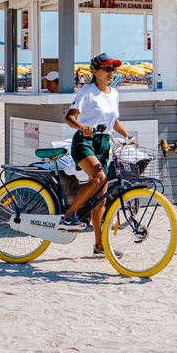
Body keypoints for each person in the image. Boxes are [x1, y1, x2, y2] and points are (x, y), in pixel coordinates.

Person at [59, 53, 135, 256]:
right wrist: (82, 126)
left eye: (114, 69)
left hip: (104, 144)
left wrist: (126, 135)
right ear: (95, 71)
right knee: (99, 177)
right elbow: (69, 118)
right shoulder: (87, 93)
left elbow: (114, 121)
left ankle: (99, 246)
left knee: (101, 199)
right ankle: (68, 215)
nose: (112, 72)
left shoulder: (114, 93)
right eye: (108, 69)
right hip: (84, 142)